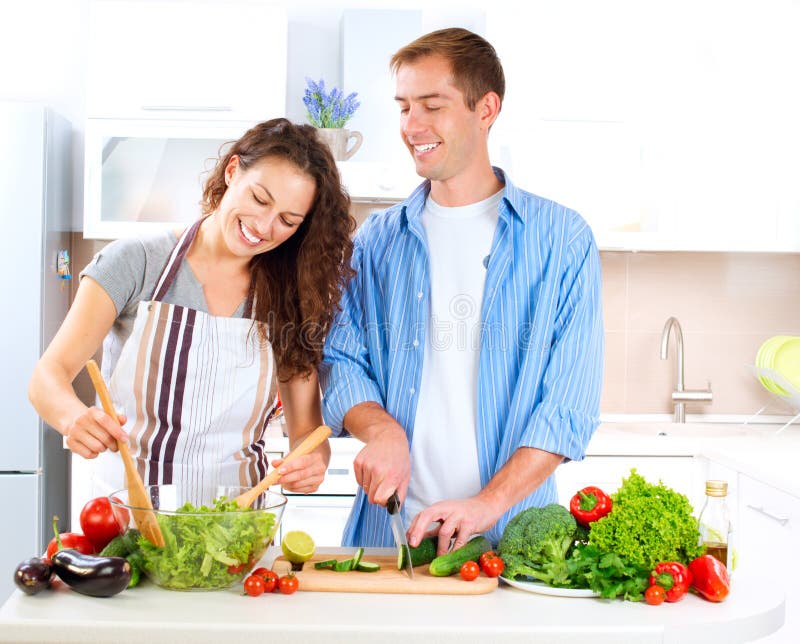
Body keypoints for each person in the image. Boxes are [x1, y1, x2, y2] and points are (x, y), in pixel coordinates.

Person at [320, 28, 604, 553]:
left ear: (486, 109)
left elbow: (567, 407)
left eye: (432, 105)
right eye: (404, 107)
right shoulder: (377, 242)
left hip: (511, 541)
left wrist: (484, 505)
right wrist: (383, 430)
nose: (412, 126)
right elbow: (342, 359)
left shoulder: (561, 240)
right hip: (388, 535)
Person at [29, 118, 355, 503]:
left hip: (236, 528)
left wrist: (312, 461)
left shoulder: (290, 296)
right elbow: (48, 376)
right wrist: (73, 417)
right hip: (129, 515)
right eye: (259, 199)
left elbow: (307, 431)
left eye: (287, 220)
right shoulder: (136, 261)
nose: (264, 226)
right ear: (233, 171)